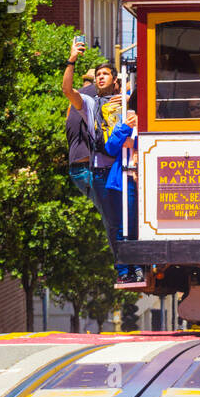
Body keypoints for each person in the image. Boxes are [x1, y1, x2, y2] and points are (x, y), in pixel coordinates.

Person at [61, 41, 124, 248]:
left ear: (115, 79)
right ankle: (123, 268)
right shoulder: (90, 103)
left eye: (105, 74)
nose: (100, 77)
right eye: (97, 75)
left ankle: (134, 265)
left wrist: (127, 102)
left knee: (127, 219)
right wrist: (71, 60)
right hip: (99, 171)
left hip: (124, 169)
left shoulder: (125, 100)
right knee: (113, 221)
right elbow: (67, 90)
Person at [102, 109, 142, 284]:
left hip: (143, 180)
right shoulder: (125, 122)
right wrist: (125, 127)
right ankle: (125, 270)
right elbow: (110, 147)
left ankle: (139, 266)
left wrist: (134, 144)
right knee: (123, 226)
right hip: (123, 180)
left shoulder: (153, 123)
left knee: (139, 227)